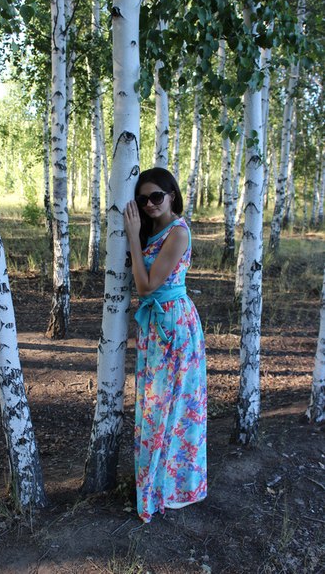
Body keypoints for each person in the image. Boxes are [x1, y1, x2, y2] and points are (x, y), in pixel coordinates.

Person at [124, 167, 207, 523]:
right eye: (143, 199)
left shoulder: (178, 232)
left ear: (172, 195)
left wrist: (132, 236)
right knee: (154, 405)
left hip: (173, 324)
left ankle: (171, 489)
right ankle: (155, 484)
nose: (149, 204)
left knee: (171, 406)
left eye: (156, 196)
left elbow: (146, 287)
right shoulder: (153, 229)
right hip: (156, 325)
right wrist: (137, 233)